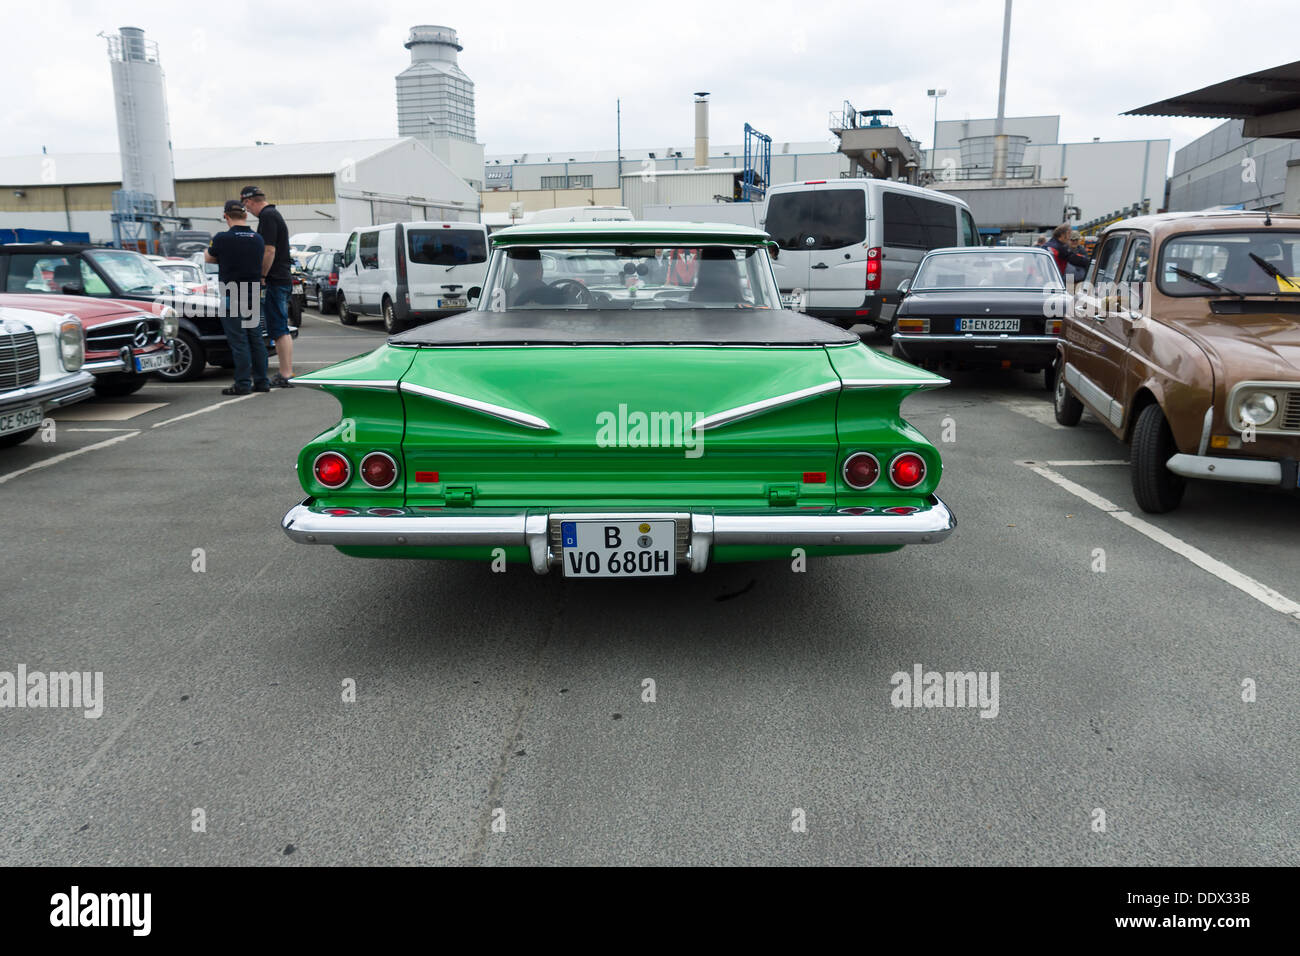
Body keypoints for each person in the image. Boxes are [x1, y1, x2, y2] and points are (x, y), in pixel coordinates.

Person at [205, 201, 269, 395]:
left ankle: (242, 384)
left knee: (239, 341)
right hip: (253, 292)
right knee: (256, 339)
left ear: (226, 216)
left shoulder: (222, 239)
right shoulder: (257, 238)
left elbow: (208, 258)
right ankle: (262, 382)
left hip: (232, 293)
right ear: (245, 216)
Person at [239, 186, 295, 388]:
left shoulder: (268, 217)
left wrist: (262, 274)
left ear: (250, 201)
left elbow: (269, 250)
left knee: (278, 328)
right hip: (282, 278)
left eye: (246, 206)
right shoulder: (273, 214)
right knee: (280, 327)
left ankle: (286, 373)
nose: (248, 212)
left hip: (276, 279)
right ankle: (286, 372)